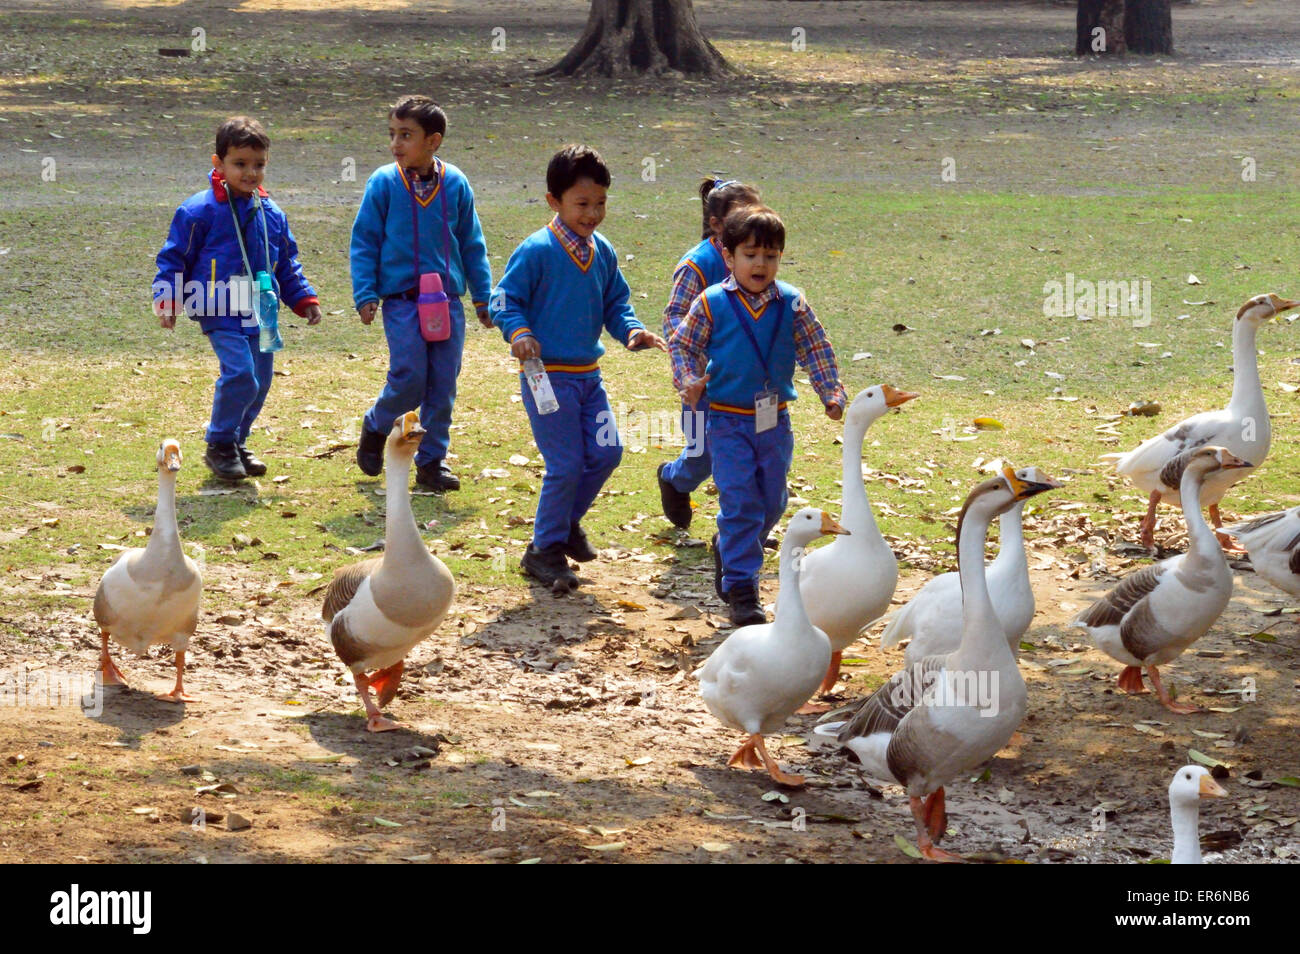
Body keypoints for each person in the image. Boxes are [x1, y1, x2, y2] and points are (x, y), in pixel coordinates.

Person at [491, 144, 667, 591]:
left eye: (601, 204)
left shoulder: (602, 251)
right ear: (554, 201)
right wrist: (519, 333)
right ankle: (544, 550)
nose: (593, 214)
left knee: (608, 452)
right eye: (582, 204)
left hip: (589, 377)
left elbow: (616, 303)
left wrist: (631, 332)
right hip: (545, 378)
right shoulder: (536, 250)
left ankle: (564, 524)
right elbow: (504, 300)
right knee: (565, 464)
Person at [670, 206, 846, 626]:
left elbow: (816, 349)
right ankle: (742, 586)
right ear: (729, 257)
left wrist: (831, 393)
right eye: (750, 254)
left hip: (774, 420)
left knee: (772, 499)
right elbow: (682, 345)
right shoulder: (711, 303)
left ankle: (729, 545)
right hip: (726, 422)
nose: (760, 264)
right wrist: (689, 379)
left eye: (770, 256)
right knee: (740, 501)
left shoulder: (793, 302)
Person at [153, 116, 321, 481]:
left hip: (261, 309)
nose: (250, 173)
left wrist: (303, 299)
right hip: (217, 305)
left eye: (259, 165)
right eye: (240, 164)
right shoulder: (199, 211)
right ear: (218, 163)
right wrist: (168, 299)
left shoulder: (271, 213)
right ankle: (218, 443)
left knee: (260, 381)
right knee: (241, 374)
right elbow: (174, 258)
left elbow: (286, 262)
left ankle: (236, 440)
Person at [349, 94, 493, 491]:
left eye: (406, 135)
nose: (396, 144)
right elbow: (364, 241)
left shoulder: (456, 184)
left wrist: (483, 296)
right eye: (392, 134)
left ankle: (432, 462)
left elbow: (471, 242)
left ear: (433, 141)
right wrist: (366, 293)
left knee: (443, 385)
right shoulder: (383, 183)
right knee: (410, 377)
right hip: (402, 303)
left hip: (447, 303)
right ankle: (377, 425)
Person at [656, 177, 760, 530]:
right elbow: (673, 319)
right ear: (716, 225)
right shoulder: (697, 265)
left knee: (747, 453)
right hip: (704, 382)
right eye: (741, 218)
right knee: (704, 455)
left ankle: (743, 530)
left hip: (745, 381)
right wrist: (690, 372)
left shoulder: (755, 258)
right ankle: (674, 479)